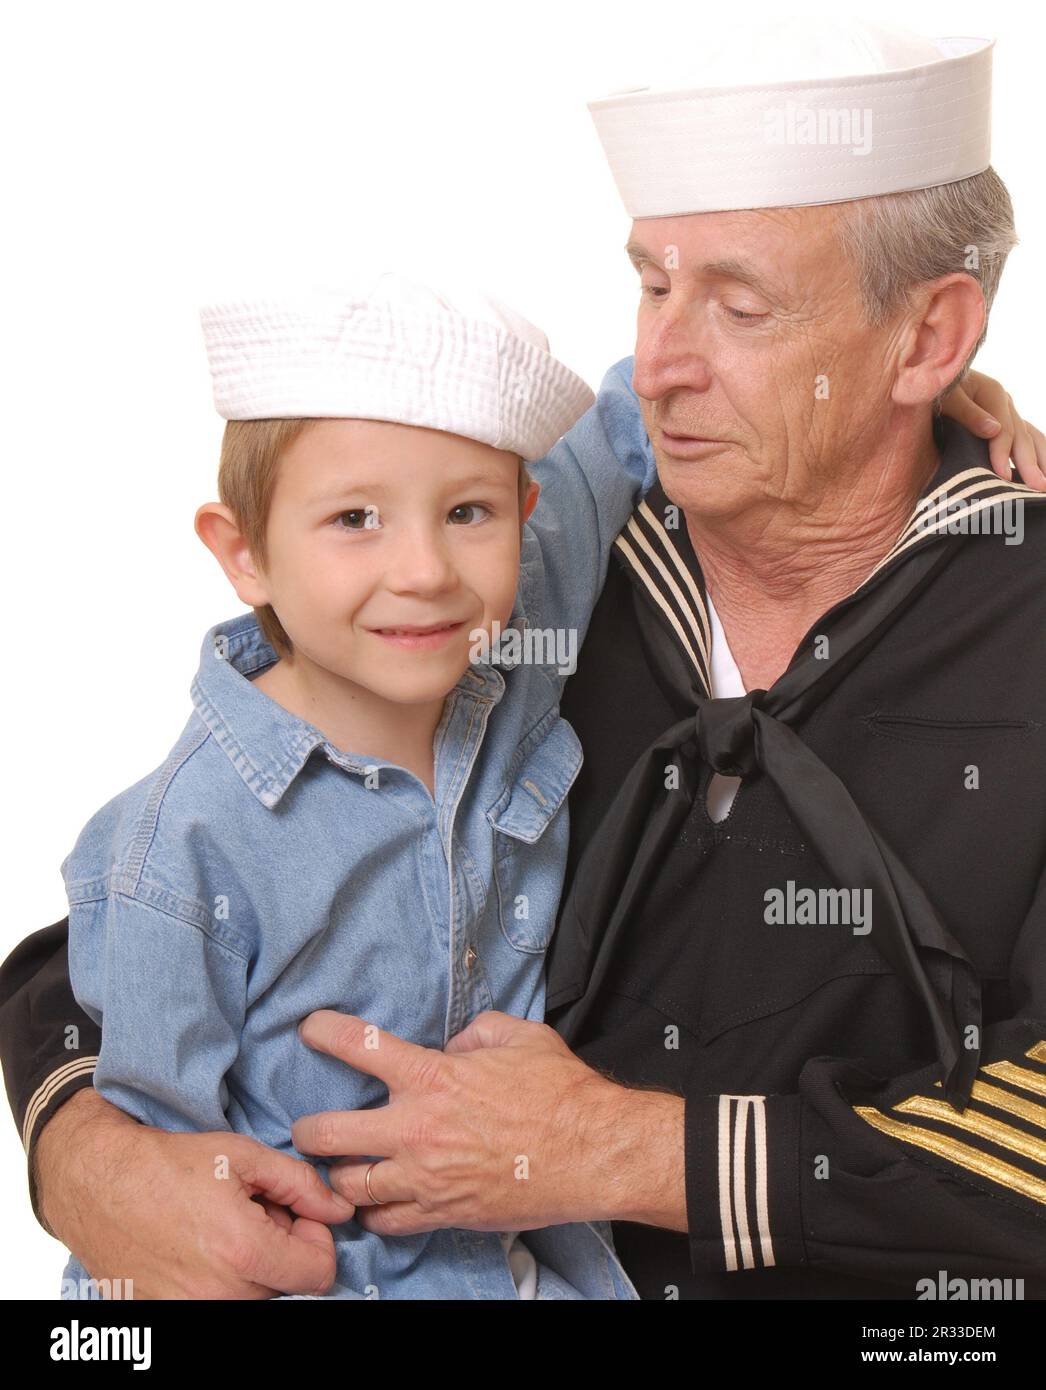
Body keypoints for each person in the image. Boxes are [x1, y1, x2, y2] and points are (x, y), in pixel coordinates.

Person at [2, 17, 1045, 1301]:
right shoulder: (519, 558)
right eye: (652, 286)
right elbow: (194, 874)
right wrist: (92, 1158)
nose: (658, 367)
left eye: (738, 305)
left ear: (931, 340)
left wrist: (621, 1152)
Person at [45, 273, 653, 1300]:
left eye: (467, 511)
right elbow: (153, 1218)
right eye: (354, 519)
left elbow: (648, 412)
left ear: (522, 513)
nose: (422, 569)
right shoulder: (182, 845)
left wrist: (913, 396)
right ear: (243, 552)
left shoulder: (512, 633)